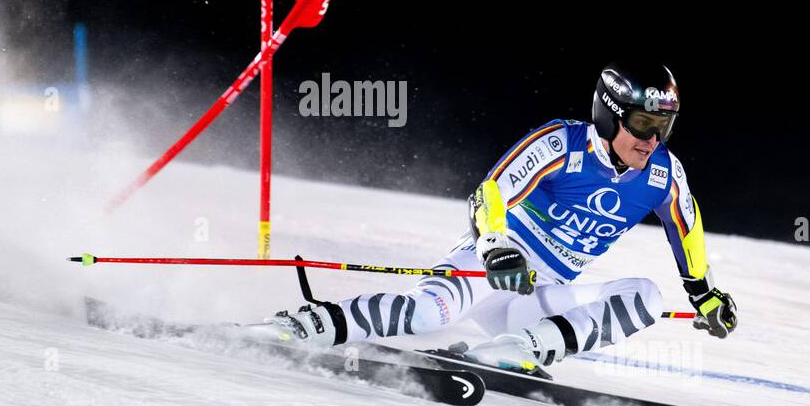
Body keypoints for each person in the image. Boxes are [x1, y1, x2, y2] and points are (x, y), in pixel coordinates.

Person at [254, 62, 738, 370]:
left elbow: (686, 229)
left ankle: (520, 350)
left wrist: (704, 293)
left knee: (647, 298)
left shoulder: (663, 174)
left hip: (537, 298)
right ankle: (310, 323)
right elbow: (489, 194)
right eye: (642, 125)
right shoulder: (561, 144)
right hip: (492, 269)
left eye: (663, 127)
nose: (652, 140)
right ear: (611, 116)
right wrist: (495, 248)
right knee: (426, 313)